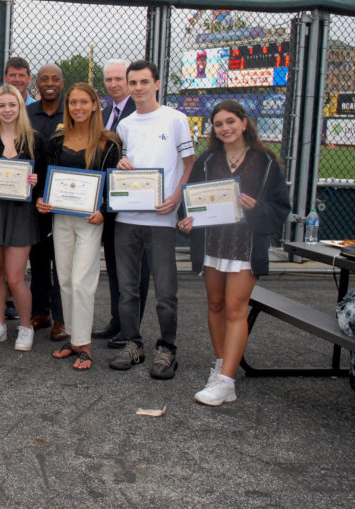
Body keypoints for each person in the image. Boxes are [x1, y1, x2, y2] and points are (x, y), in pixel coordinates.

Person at [178, 100, 290, 405]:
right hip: (213, 243)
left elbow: (280, 208)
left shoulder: (265, 162)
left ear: (244, 122)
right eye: (218, 124)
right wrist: (186, 220)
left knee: (235, 308)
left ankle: (227, 381)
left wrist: (256, 208)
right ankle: (221, 363)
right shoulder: (207, 160)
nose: (225, 128)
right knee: (215, 304)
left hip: (245, 246)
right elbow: (191, 203)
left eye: (230, 121)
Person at [110, 60, 195, 379]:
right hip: (127, 218)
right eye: (133, 83)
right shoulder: (125, 125)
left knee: (165, 289)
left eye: (145, 82)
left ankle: (167, 348)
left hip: (161, 219)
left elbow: (189, 164)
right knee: (128, 289)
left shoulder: (176, 119)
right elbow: (121, 165)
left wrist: (175, 198)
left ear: (157, 84)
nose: (139, 88)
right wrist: (121, 167)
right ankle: (133, 345)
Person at [37, 83, 121, 371]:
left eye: (84, 102)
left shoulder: (109, 143)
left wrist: (105, 212)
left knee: (83, 283)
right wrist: (43, 201)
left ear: (96, 104)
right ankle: (73, 338)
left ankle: (84, 346)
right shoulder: (58, 140)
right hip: (61, 218)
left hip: (90, 220)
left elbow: (113, 184)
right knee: (65, 280)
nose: (78, 108)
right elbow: (47, 178)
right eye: (73, 103)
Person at [0, 85, 45, 352]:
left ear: (20, 107)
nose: (7, 110)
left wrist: (37, 183)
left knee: (15, 276)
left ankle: (25, 327)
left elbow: (43, 180)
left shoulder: (34, 139)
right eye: (1, 106)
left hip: (20, 213)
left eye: (12, 105)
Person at [94, 58, 151, 347]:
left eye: (120, 79)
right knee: (116, 268)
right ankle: (117, 321)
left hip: (132, 202)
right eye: (109, 80)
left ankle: (131, 329)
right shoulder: (104, 113)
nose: (114, 84)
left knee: (135, 270)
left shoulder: (140, 112)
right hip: (108, 203)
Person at [26, 63, 67, 341]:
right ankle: (40, 311)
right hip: (35, 196)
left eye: (55, 79)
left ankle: (62, 318)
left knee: (63, 261)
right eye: (44, 79)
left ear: (62, 83)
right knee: (38, 257)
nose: (49, 83)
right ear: (36, 85)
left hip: (66, 197)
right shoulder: (27, 114)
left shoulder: (73, 112)